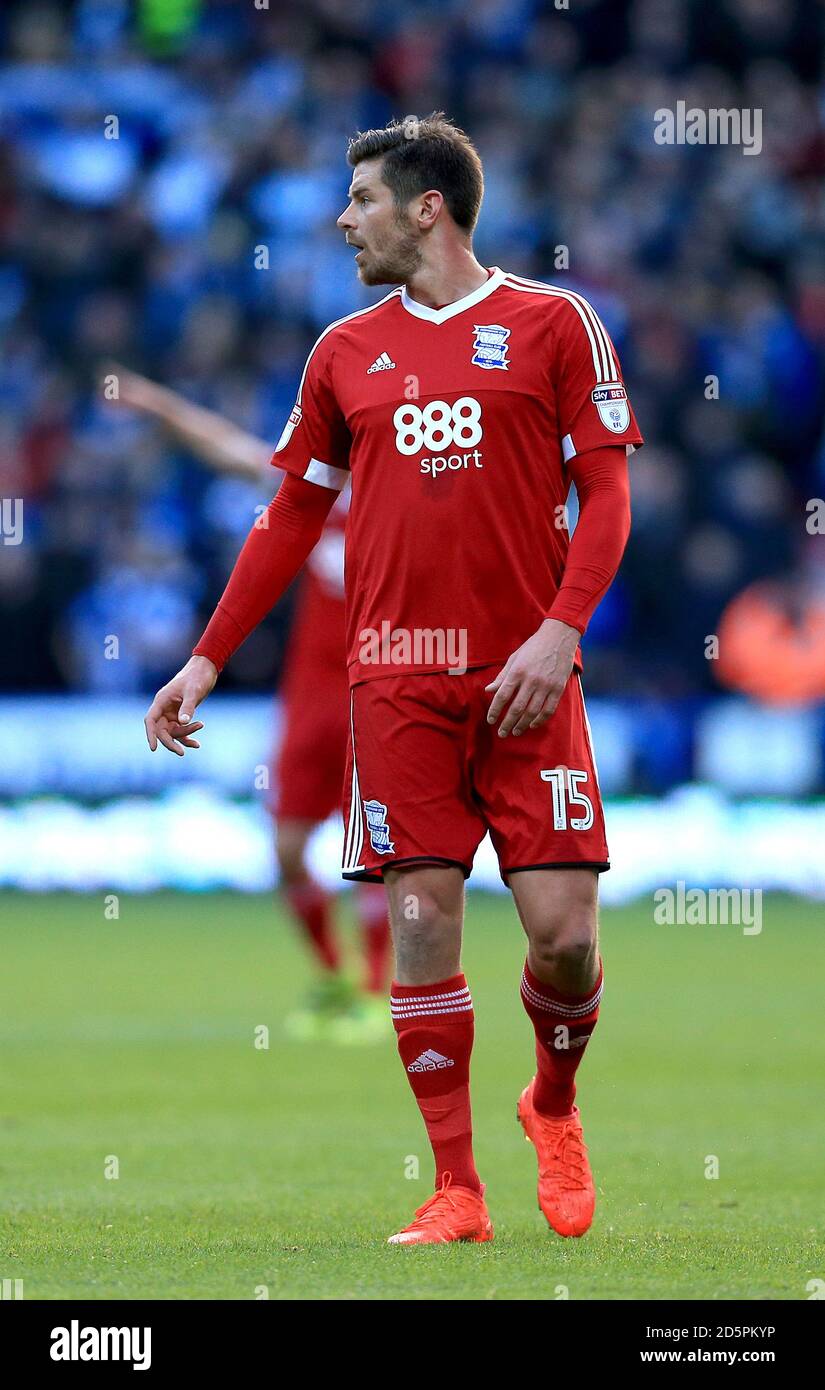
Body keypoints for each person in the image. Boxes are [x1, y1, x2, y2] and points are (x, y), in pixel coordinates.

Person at [144, 113, 643, 1245]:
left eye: (360, 198)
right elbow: (288, 518)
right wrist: (208, 655)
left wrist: (561, 631)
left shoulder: (554, 324)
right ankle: (457, 1189)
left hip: (527, 674)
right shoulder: (341, 352)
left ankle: (552, 1104)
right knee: (420, 923)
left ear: (428, 207)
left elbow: (607, 497)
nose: (341, 218)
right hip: (396, 682)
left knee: (563, 936)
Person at [111, 367, 391, 1042]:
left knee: (378, 851)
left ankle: (376, 993)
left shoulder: (401, 503)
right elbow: (228, 447)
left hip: (384, 692)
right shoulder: (311, 493)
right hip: (312, 698)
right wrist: (158, 403)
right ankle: (332, 975)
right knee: (288, 849)